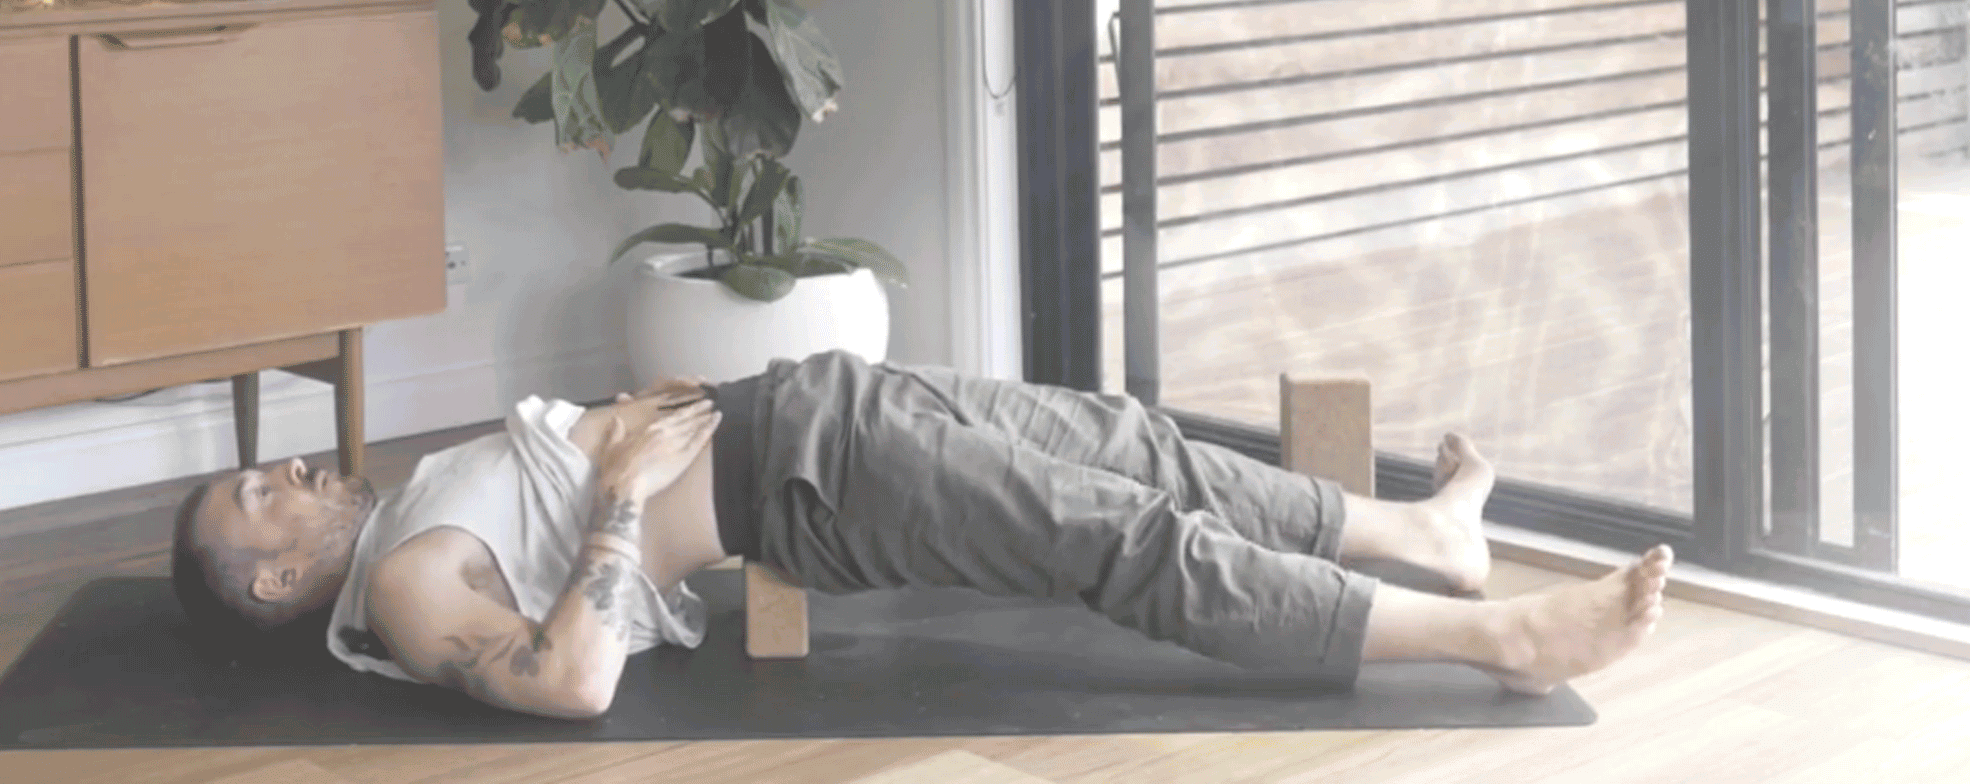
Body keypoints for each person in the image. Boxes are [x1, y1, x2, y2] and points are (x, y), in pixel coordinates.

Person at [170, 350, 1672, 720]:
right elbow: (574, 684)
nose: (288, 470)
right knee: (1127, 539)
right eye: (261, 497)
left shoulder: (407, 528)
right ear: (283, 580)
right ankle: (1502, 638)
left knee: (1133, 443)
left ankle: (1423, 532)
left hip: (826, 405)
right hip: (820, 481)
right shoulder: (412, 590)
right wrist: (624, 477)